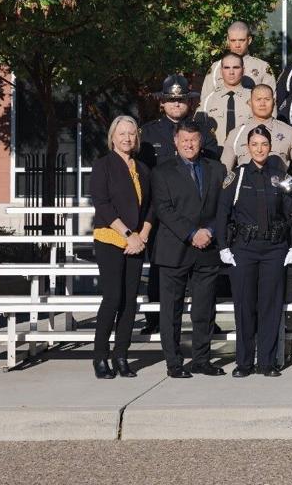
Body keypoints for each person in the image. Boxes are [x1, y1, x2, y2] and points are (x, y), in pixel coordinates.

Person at [214, 126, 292, 377]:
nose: (260, 149)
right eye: (255, 144)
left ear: (270, 147)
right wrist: (223, 246)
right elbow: (222, 213)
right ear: (247, 148)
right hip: (245, 249)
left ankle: (267, 362)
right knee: (244, 306)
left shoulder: (280, 176)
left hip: (274, 249)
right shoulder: (237, 176)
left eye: (264, 144)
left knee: (270, 307)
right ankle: (243, 362)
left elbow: (291, 213)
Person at [138, 74, 215, 333]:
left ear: (189, 103)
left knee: (198, 269)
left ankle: (205, 321)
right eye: (171, 100)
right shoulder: (148, 133)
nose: (176, 104)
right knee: (162, 267)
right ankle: (155, 320)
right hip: (160, 211)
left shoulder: (202, 130)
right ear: (162, 103)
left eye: (181, 99)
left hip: (193, 211)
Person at [150, 119, 226, 378]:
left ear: (200, 141)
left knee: (204, 310)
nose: (189, 144)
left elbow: (223, 208)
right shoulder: (162, 172)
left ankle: (202, 360)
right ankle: (174, 363)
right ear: (175, 141)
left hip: (208, 248)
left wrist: (210, 232)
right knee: (171, 310)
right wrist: (192, 233)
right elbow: (164, 210)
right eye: (184, 140)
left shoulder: (217, 169)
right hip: (175, 249)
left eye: (193, 139)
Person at [88, 115, 152, 379]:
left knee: (129, 302)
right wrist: (128, 234)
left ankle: (121, 355)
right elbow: (102, 204)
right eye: (122, 133)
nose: (127, 138)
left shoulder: (143, 169)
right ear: (113, 137)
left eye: (132, 134)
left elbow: (151, 207)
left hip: (137, 243)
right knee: (113, 298)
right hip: (111, 239)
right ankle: (100, 356)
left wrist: (143, 235)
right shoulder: (103, 166)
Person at [219, 84, 292, 175]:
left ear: (274, 102)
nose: (262, 104)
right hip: (247, 186)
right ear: (250, 102)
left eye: (267, 99)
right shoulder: (235, 134)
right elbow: (224, 171)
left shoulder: (289, 132)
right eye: (258, 99)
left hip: (276, 187)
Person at [199, 21, 276, 106]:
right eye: (233, 40)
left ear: (249, 40)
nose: (237, 45)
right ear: (228, 40)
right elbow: (205, 100)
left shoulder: (262, 67)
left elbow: (272, 103)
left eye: (241, 40)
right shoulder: (216, 67)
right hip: (220, 117)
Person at [196, 53, 253, 147]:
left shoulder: (255, 98)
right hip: (216, 156)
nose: (231, 72)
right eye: (226, 68)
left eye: (236, 67)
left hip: (247, 155)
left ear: (243, 70)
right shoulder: (208, 100)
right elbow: (198, 130)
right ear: (221, 71)